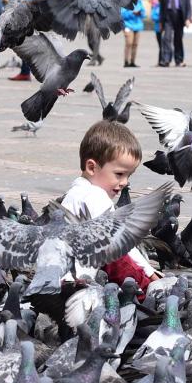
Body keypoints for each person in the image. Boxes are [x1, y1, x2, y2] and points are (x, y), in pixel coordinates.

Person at [61, 120, 160, 291]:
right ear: (91, 167)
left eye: (129, 175)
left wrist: (148, 269)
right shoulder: (96, 196)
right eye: (119, 174)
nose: (124, 182)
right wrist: (147, 281)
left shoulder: (74, 194)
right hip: (77, 285)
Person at [158, 0, 191, 67]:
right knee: (166, 38)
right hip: (168, 17)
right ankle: (166, 60)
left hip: (179, 17)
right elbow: (161, 8)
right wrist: (161, 22)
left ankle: (179, 60)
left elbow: (188, 6)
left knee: (178, 39)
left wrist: (187, 19)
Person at [120, 0, 145, 68]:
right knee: (129, 43)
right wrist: (132, 13)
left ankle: (132, 62)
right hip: (128, 25)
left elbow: (143, 13)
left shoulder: (140, 1)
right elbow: (122, 14)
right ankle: (126, 61)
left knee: (135, 44)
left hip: (137, 26)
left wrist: (140, 13)